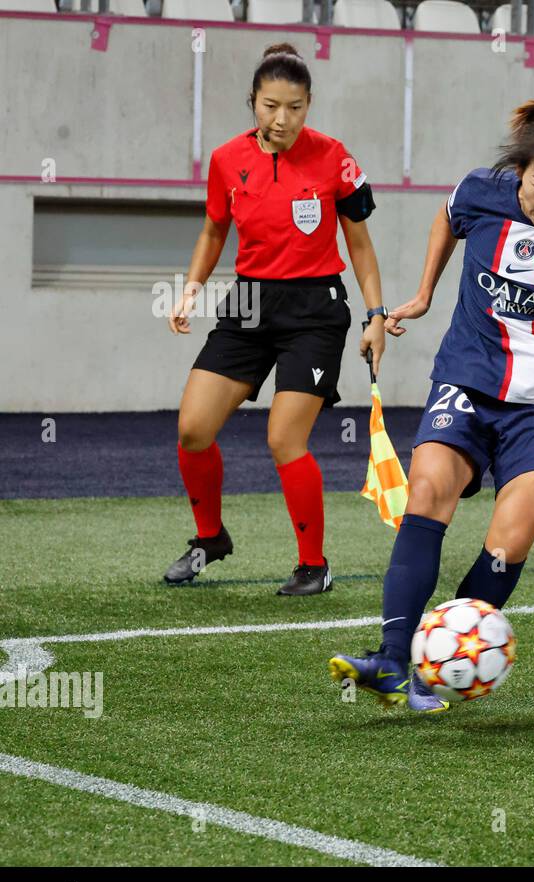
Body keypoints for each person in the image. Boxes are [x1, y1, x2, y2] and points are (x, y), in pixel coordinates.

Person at [329, 100, 534, 712]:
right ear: (519, 171)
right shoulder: (479, 192)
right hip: (465, 380)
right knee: (428, 491)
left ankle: (437, 672)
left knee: (515, 532)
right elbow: (447, 217)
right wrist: (426, 292)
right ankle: (390, 659)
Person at [164, 43, 389, 595]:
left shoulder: (334, 157)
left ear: (309, 104)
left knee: (284, 438)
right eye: (270, 106)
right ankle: (210, 538)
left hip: (315, 310)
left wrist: (376, 313)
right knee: (193, 429)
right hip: (249, 305)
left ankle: (314, 565)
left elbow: (359, 244)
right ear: (253, 103)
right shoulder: (225, 160)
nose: (281, 118)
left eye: (294, 107)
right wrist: (191, 288)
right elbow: (215, 229)